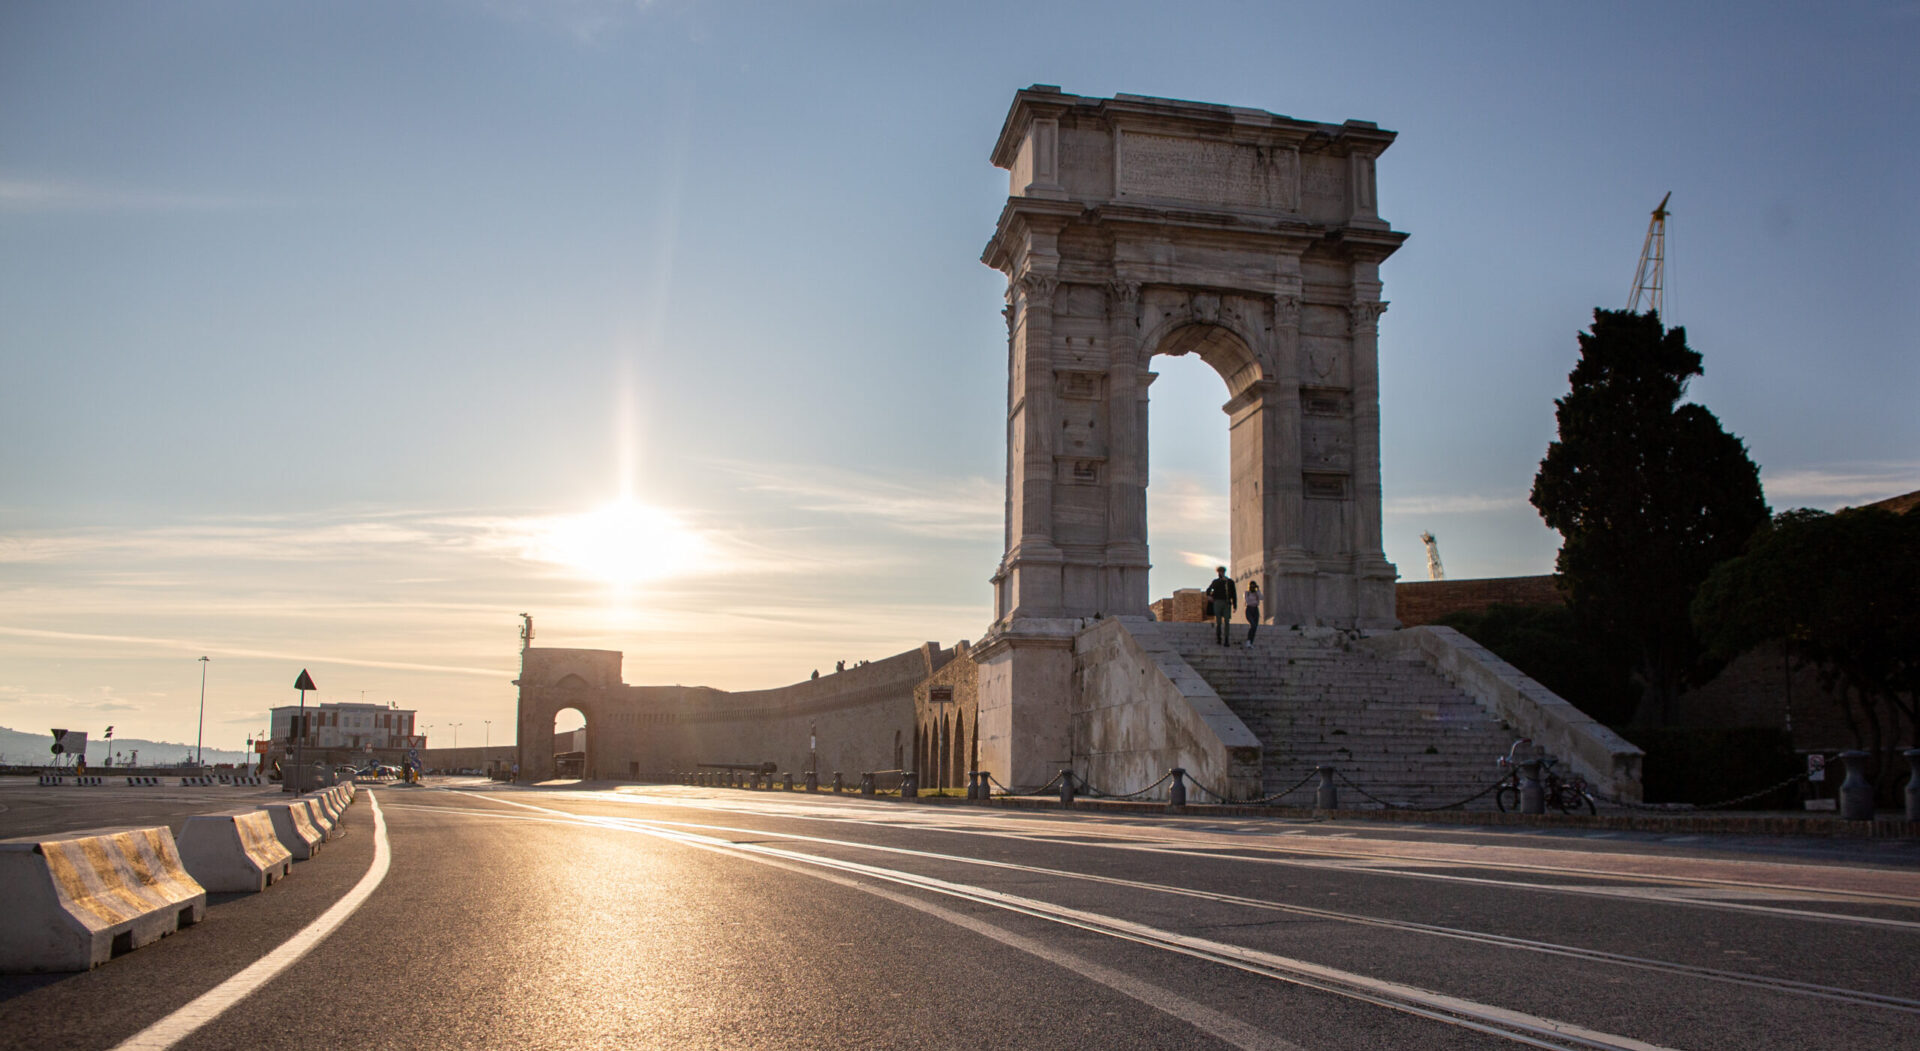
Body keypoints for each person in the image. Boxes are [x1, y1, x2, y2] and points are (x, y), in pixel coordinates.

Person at [1204, 566, 1237, 646]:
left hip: (1226, 603)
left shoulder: (1229, 582)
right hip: (1217, 602)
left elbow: (1233, 594)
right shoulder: (1215, 582)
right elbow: (1210, 590)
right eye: (1219, 572)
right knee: (1218, 622)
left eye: (1221, 572)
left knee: (1226, 621)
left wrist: (1235, 605)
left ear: (1224, 572)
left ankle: (1226, 639)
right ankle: (1218, 637)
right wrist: (1209, 596)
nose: (1220, 573)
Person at [1243, 581, 1262, 648]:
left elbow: (1261, 598)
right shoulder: (1247, 593)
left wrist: (1258, 590)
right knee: (1253, 625)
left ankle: (1251, 642)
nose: (1253, 587)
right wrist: (1255, 601)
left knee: (1255, 627)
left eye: (1254, 586)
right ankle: (1248, 641)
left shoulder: (1257, 593)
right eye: (1251, 586)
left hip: (1256, 610)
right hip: (1249, 610)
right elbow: (1247, 601)